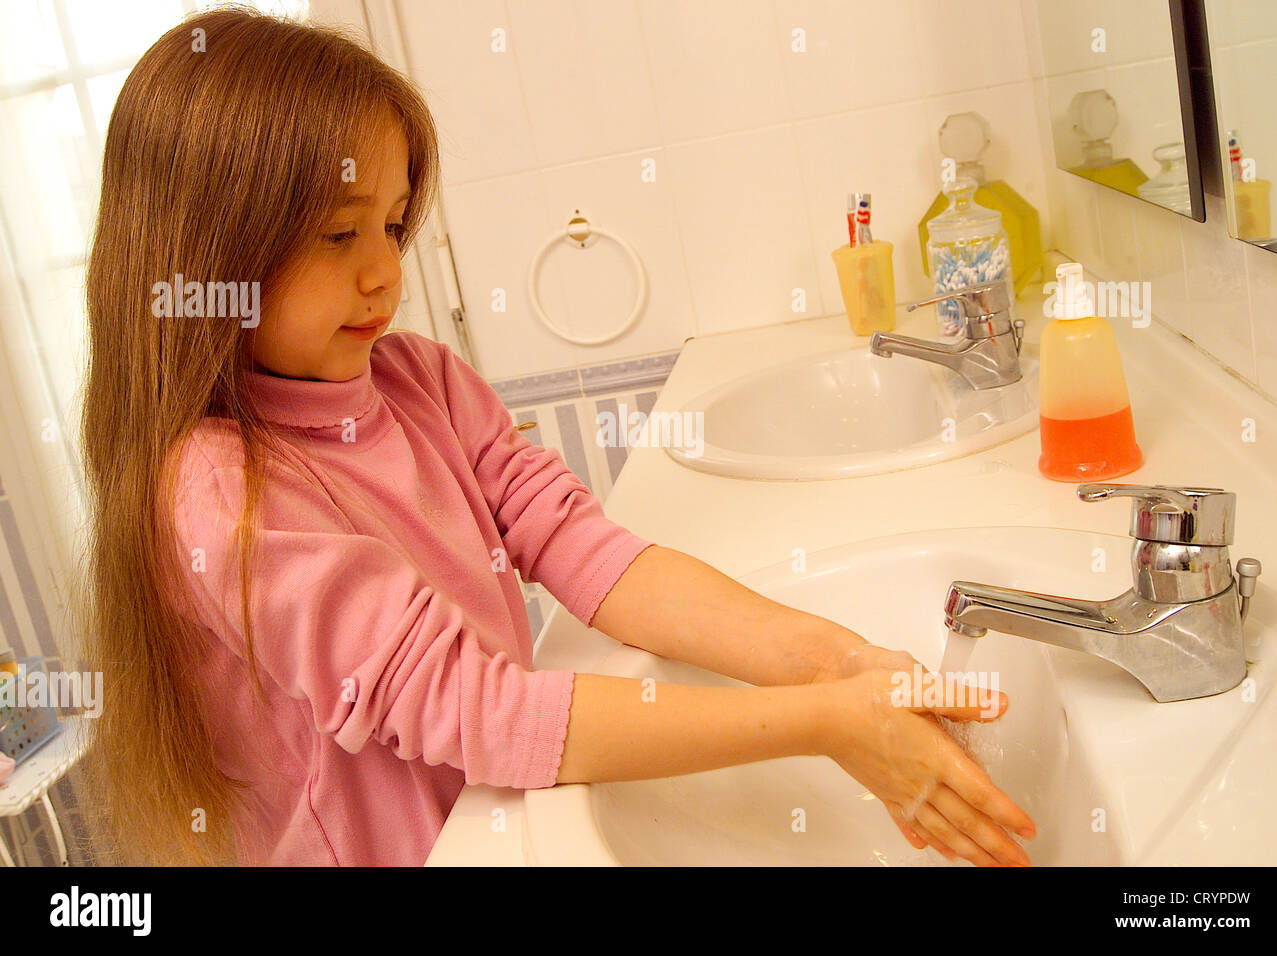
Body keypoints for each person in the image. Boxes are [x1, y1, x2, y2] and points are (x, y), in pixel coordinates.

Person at [78, 5, 1034, 867]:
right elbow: (476, 709)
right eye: (340, 236)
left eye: (396, 225)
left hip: (502, 828)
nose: (384, 274)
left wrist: (836, 660)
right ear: (212, 249)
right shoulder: (216, 493)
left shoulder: (419, 382)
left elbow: (587, 553)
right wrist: (824, 723)